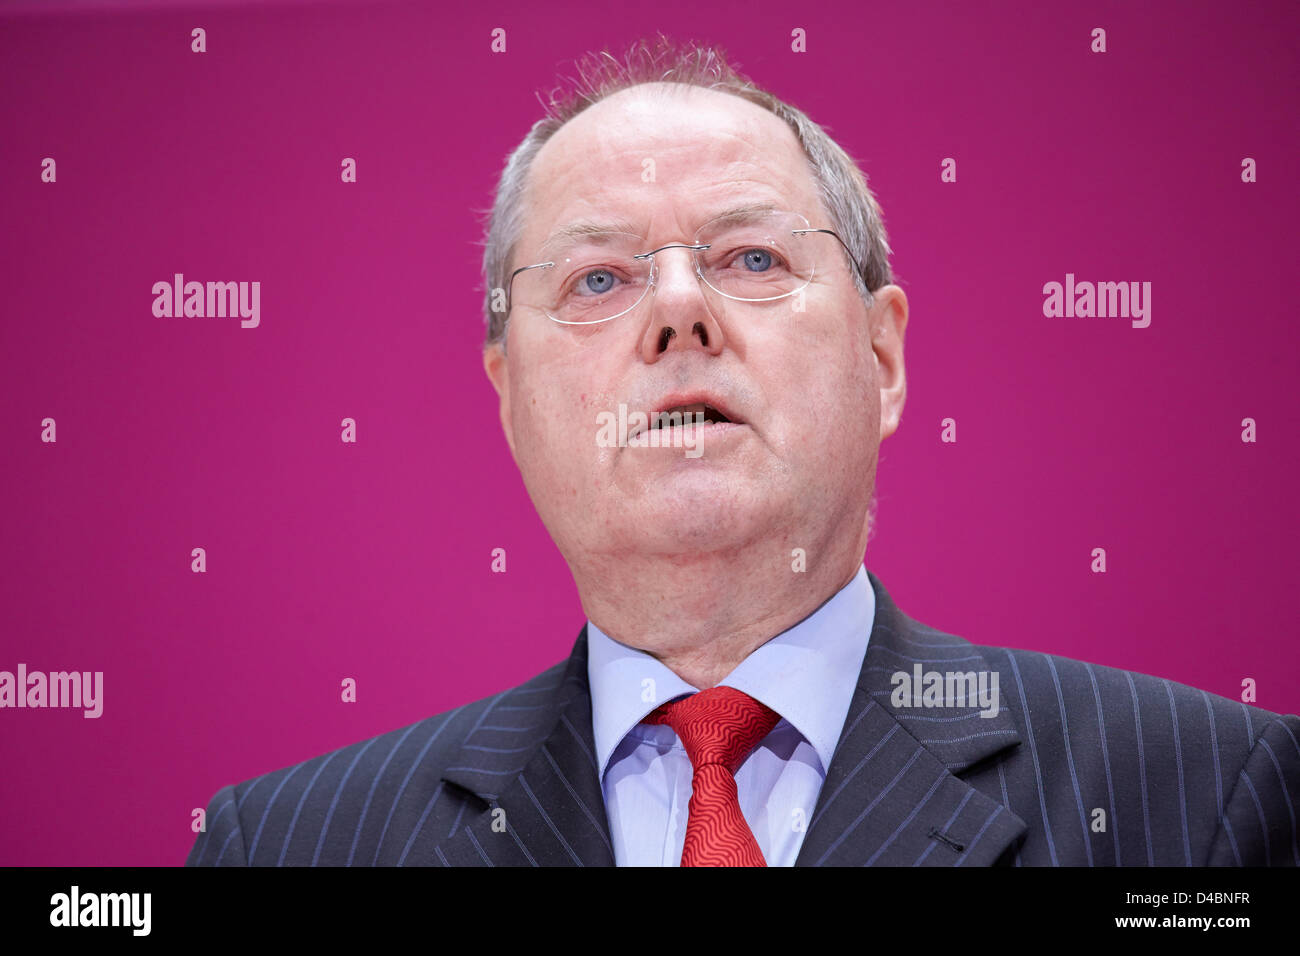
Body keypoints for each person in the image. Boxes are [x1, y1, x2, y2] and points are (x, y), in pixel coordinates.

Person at [186, 36, 1299, 867]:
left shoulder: (1204, 800)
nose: (678, 311)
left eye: (752, 258)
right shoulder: (286, 844)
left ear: (883, 357)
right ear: (510, 395)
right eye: (599, 279)